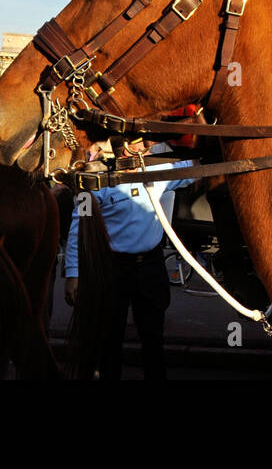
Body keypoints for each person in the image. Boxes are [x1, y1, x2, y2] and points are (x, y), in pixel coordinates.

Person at [64, 152, 194, 380]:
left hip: (151, 267)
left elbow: (193, 167)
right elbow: (79, 224)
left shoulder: (158, 170)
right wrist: (73, 273)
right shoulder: (97, 180)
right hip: (114, 269)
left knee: (153, 337)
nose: (130, 151)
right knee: (110, 339)